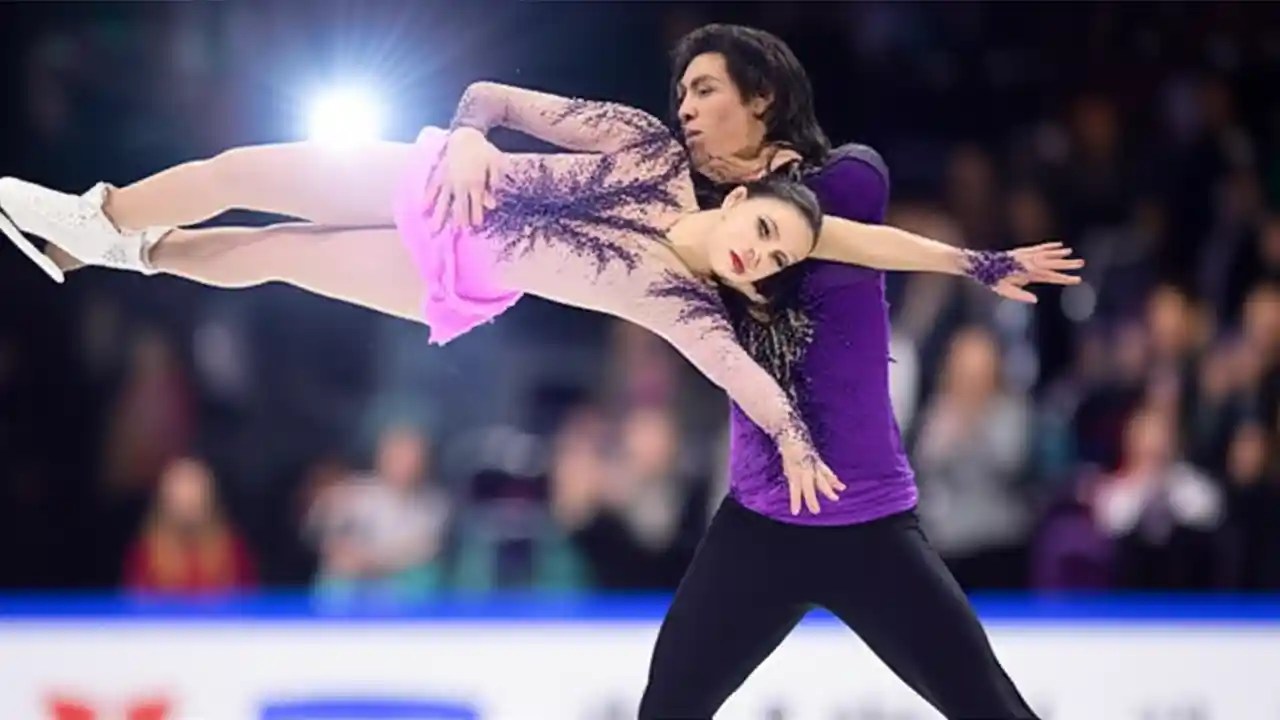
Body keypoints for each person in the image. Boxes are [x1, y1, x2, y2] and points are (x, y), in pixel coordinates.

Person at [0, 77, 1075, 521]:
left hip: (456, 275)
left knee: (278, 255)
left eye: (769, 263)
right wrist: (470, 137)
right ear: (744, 195)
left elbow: (744, 371)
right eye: (760, 231)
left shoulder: (681, 305)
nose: (754, 259)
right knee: (241, 170)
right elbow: (491, 99)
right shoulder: (649, 148)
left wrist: (793, 433)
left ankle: (115, 259)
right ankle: (97, 212)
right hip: (429, 182)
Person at [422, 25, 1066, 719]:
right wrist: (467, 138)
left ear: (763, 97)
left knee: (992, 708)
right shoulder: (701, 219)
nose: (686, 111)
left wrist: (977, 262)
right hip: (757, 530)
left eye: (705, 91)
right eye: (682, 95)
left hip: (871, 531)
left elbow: (852, 232)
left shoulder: (843, 180)